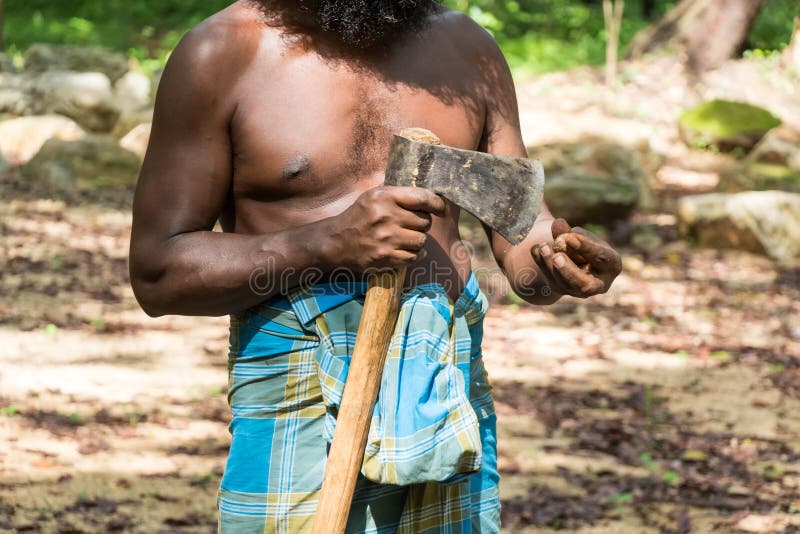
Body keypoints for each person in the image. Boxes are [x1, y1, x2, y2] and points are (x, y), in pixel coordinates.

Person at [129, 1, 623, 532]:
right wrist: (326, 243)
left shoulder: (468, 51)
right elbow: (159, 272)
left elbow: (522, 238)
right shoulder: (223, 52)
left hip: (444, 384)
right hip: (299, 395)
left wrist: (555, 265)